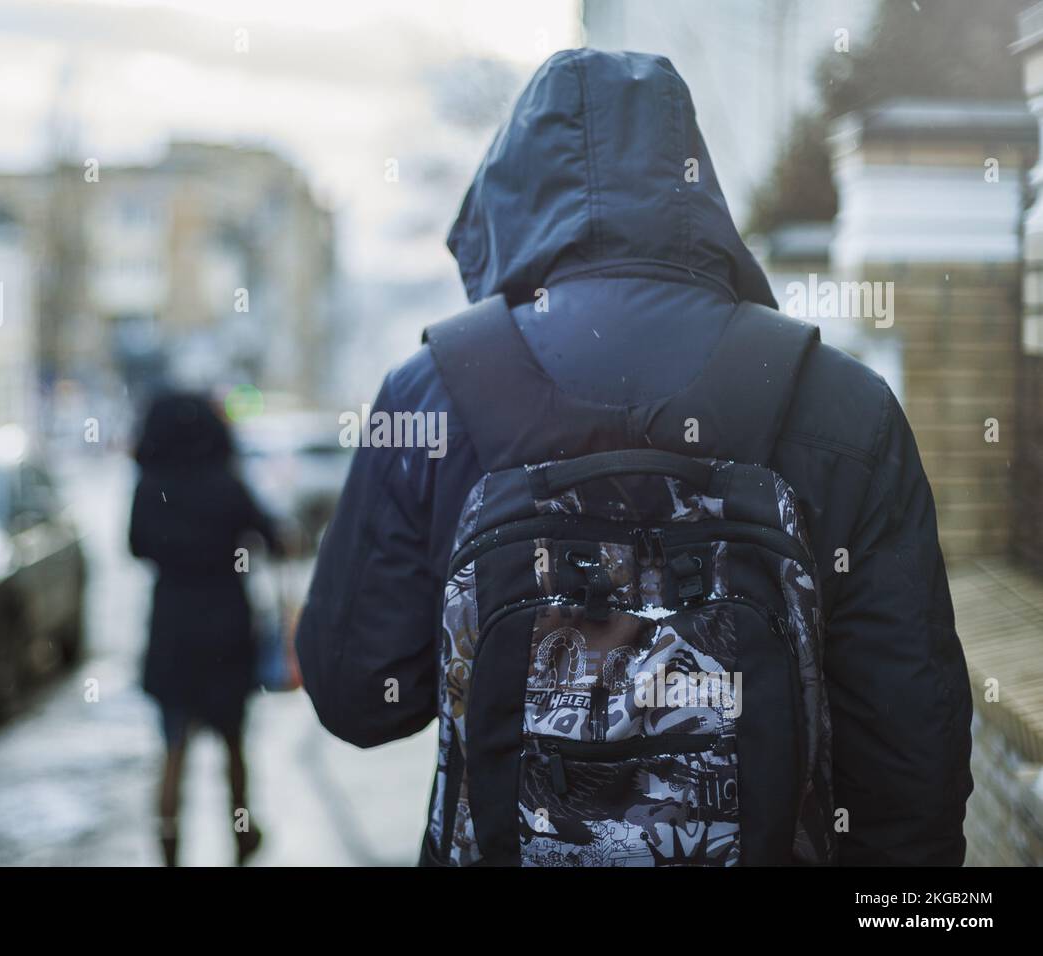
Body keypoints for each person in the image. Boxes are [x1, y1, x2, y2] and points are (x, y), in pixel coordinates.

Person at [295, 49, 972, 866]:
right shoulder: (840, 403)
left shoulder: (433, 394)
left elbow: (358, 698)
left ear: (507, 195)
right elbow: (911, 758)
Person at [128, 390, 280, 866]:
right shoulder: (226, 483)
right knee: (234, 744)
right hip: (226, 629)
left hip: (172, 629)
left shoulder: (150, 485)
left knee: (173, 747)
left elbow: (135, 546)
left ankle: (169, 847)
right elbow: (273, 538)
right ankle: (241, 832)